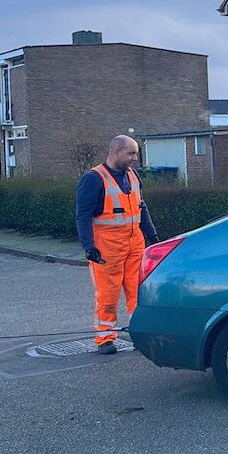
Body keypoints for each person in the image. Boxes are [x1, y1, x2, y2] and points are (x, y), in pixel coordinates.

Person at [74, 135, 159, 354]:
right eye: (131, 154)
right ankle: (105, 338)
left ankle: (139, 333)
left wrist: (153, 236)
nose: (134, 158)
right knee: (108, 294)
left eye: (135, 154)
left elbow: (142, 207)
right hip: (107, 246)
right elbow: (82, 215)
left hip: (134, 242)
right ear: (116, 152)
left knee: (138, 291)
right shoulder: (94, 178)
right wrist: (89, 246)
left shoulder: (132, 175)